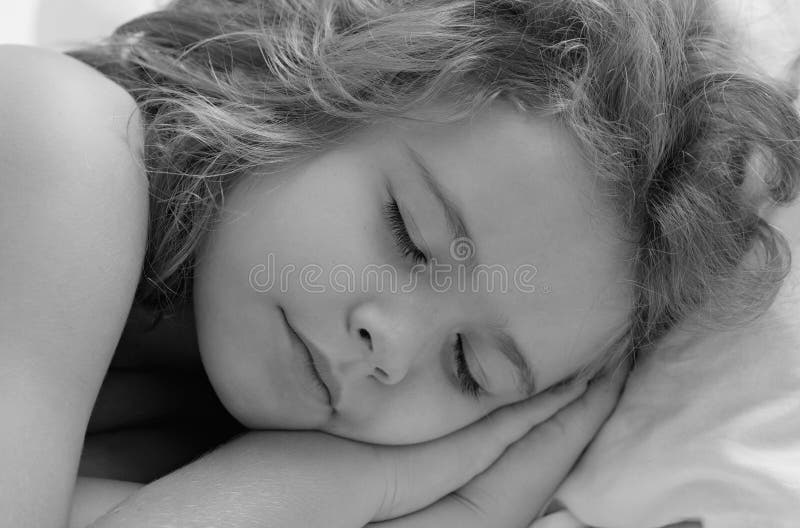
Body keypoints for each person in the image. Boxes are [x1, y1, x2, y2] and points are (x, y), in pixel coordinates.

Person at [1, 0, 798, 527]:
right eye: (408, 234)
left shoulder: (181, 431)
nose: (392, 345)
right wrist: (351, 491)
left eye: (469, 366)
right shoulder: (61, 141)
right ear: (315, 83)